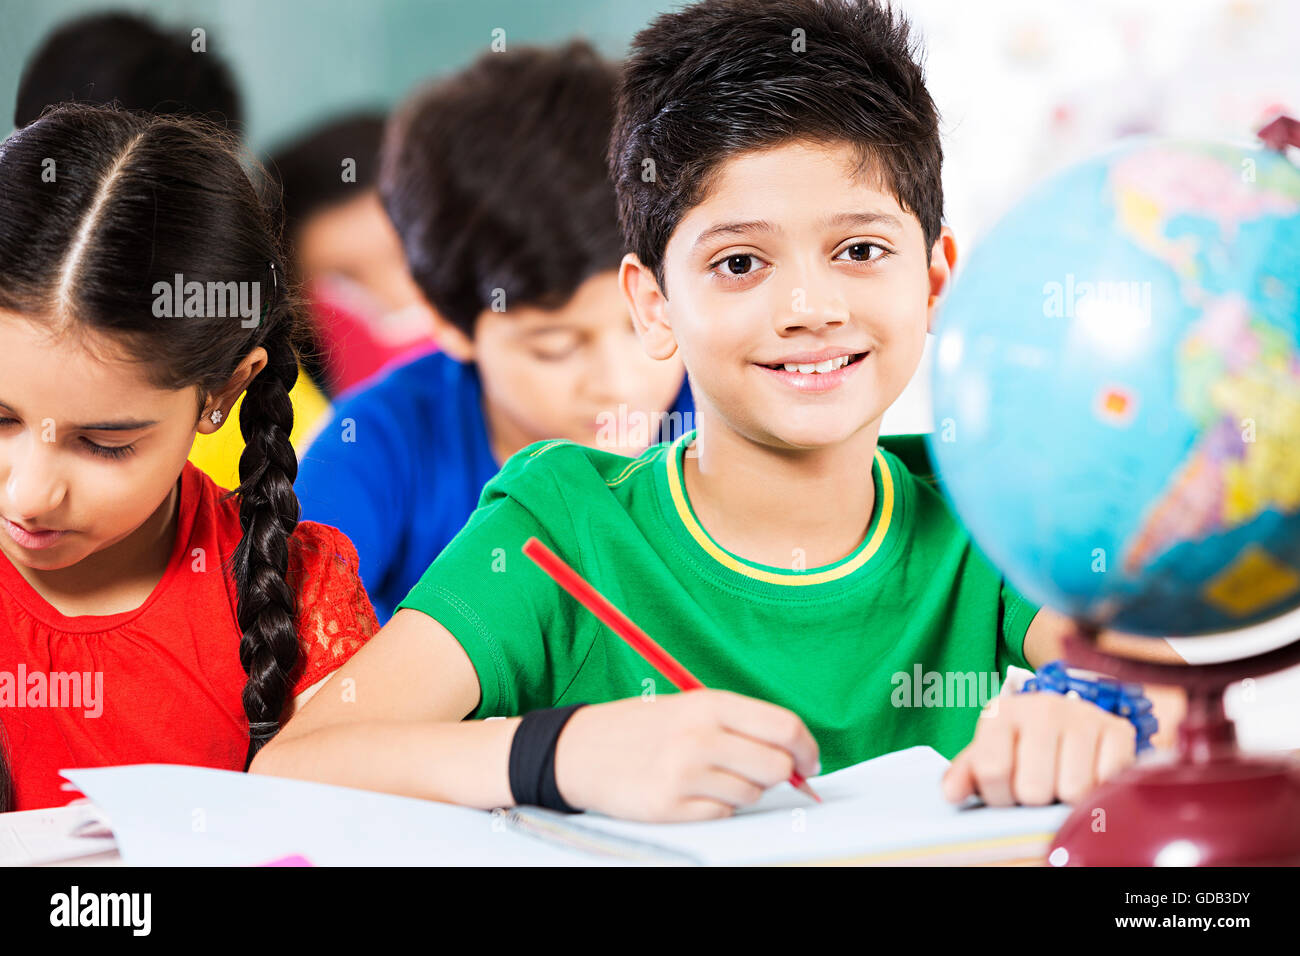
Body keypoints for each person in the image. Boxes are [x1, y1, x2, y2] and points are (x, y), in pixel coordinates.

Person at [253, 0, 1183, 821]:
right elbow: (300, 760)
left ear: (935, 278)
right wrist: (564, 754)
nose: (810, 309)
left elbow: (1163, 673)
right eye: (740, 263)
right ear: (654, 306)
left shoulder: (979, 505)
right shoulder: (563, 523)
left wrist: (1101, 703)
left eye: (860, 249)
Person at [0, 106, 379, 812]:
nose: (29, 495)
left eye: (105, 444)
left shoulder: (299, 601)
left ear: (224, 394)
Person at [294, 40, 695, 623]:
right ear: (446, 320)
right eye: (555, 347)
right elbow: (298, 665)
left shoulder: (727, 419)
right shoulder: (374, 446)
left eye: (652, 321)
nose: (619, 381)